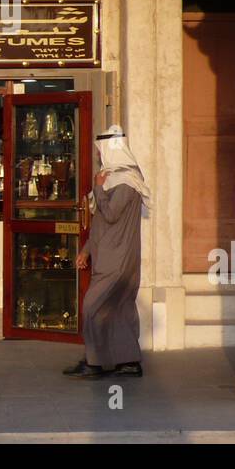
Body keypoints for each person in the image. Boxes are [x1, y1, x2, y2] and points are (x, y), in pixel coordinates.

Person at [63, 125, 150, 379]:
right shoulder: (115, 179)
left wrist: (98, 188)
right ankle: (128, 361)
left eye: (102, 152)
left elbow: (110, 214)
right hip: (112, 258)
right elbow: (101, 221)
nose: (100, 157)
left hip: (117, 261)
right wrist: (87, 250)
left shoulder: (126, 182)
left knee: (92, 307)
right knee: (118, 309)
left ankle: (95, 362)